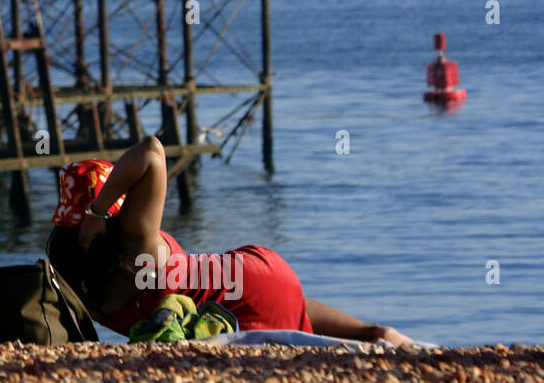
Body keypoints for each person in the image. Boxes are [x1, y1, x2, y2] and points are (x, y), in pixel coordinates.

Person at [46, 137, 414, 346]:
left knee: (309, 330)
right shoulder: (125, 245)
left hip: (244, 290)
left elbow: (152, 152)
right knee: (355, 334)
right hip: (249, 276)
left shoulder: (104, 266)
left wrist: (92, 213)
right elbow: (150, 155)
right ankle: (389, 337)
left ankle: (385, 338)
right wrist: (99, 211)